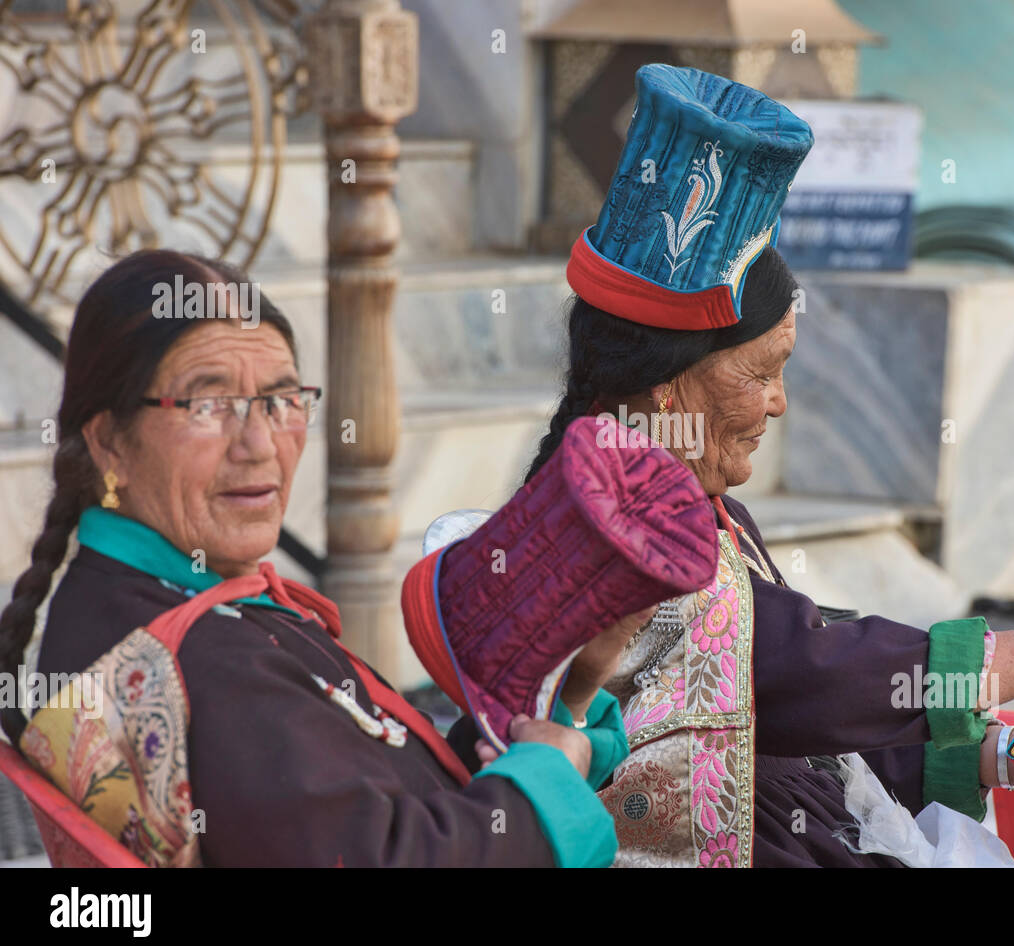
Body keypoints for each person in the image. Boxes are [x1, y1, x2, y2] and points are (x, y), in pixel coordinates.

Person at [525, 63, 1014, 867]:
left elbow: (785, 728)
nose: (778, 404)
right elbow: (800, 672)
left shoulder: (705, 510)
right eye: (760, 372)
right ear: (668, 380)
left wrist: (988, 753)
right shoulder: (602, 533)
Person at [0, 248, 628, 867]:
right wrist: (543, 787)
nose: (258, 444)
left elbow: (374, 799)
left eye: (281, 399)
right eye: (209, 404)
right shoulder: (193, 653)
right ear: (110, 442)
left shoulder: (158, 600)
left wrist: (560, 691)